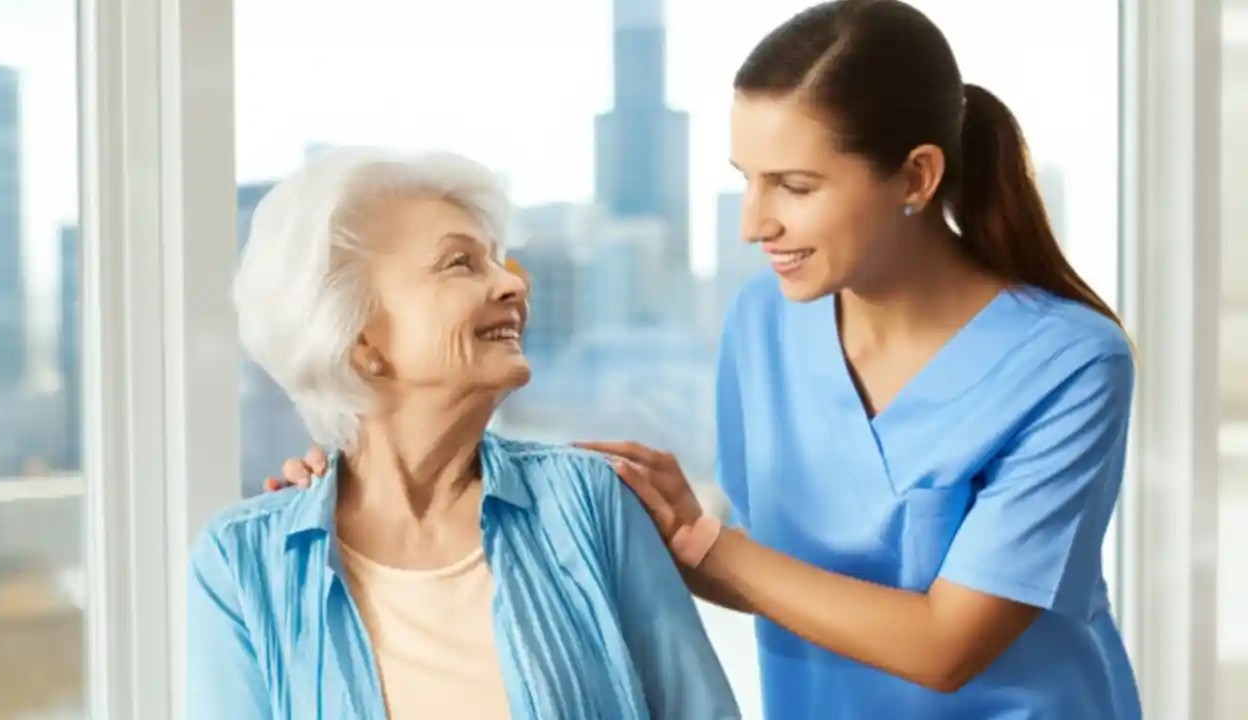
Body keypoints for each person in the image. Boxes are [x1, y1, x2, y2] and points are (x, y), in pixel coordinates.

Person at [272, 1, 1143, 718]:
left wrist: (705, 544)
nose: (753, 224)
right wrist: (358, 501)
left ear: (915, 178)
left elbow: (947, 646)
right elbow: (775, 580)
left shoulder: (1070, 363)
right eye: (746, 179)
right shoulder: (765, 321)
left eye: (794, 188)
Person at [188, 147, 739, 719]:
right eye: (461, 263)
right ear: (359, 338)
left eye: (500, 261)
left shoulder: (588, 501)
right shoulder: (243, 562)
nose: (512, 286)